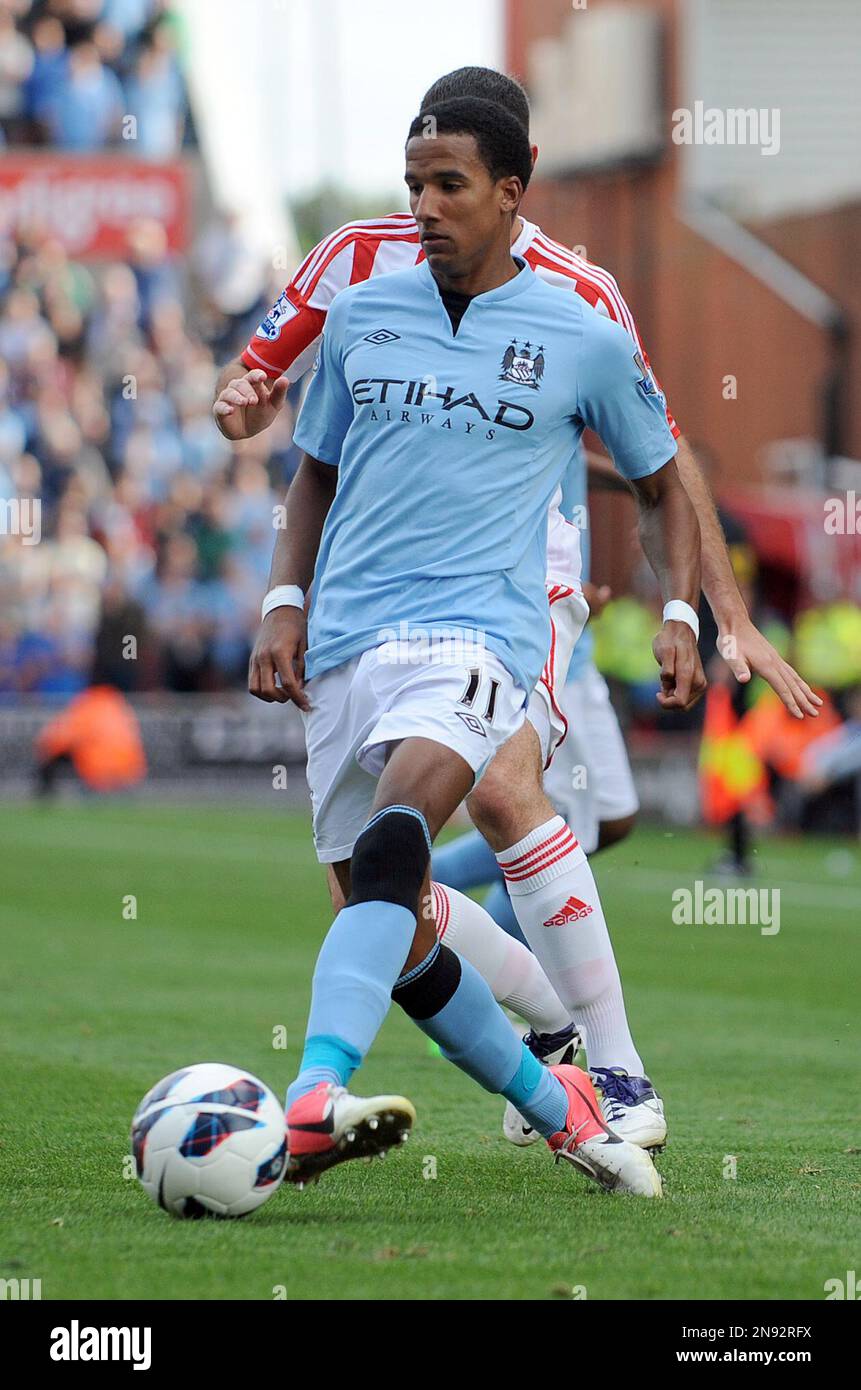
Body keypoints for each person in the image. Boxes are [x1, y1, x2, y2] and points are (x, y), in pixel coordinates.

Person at [214, 67, 819, 1149]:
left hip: (515, 575)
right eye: (415, 180)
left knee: (498, 787)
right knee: (382, 903)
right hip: (366, 597)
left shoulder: (581, 302)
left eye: (451, 180)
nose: (425, 205)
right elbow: (268, 405)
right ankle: (553, 1039)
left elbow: (661, 463)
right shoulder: (357, 267)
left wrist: (705, 615)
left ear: (512, 184)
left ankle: (620, 1074)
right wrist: (244, 423)